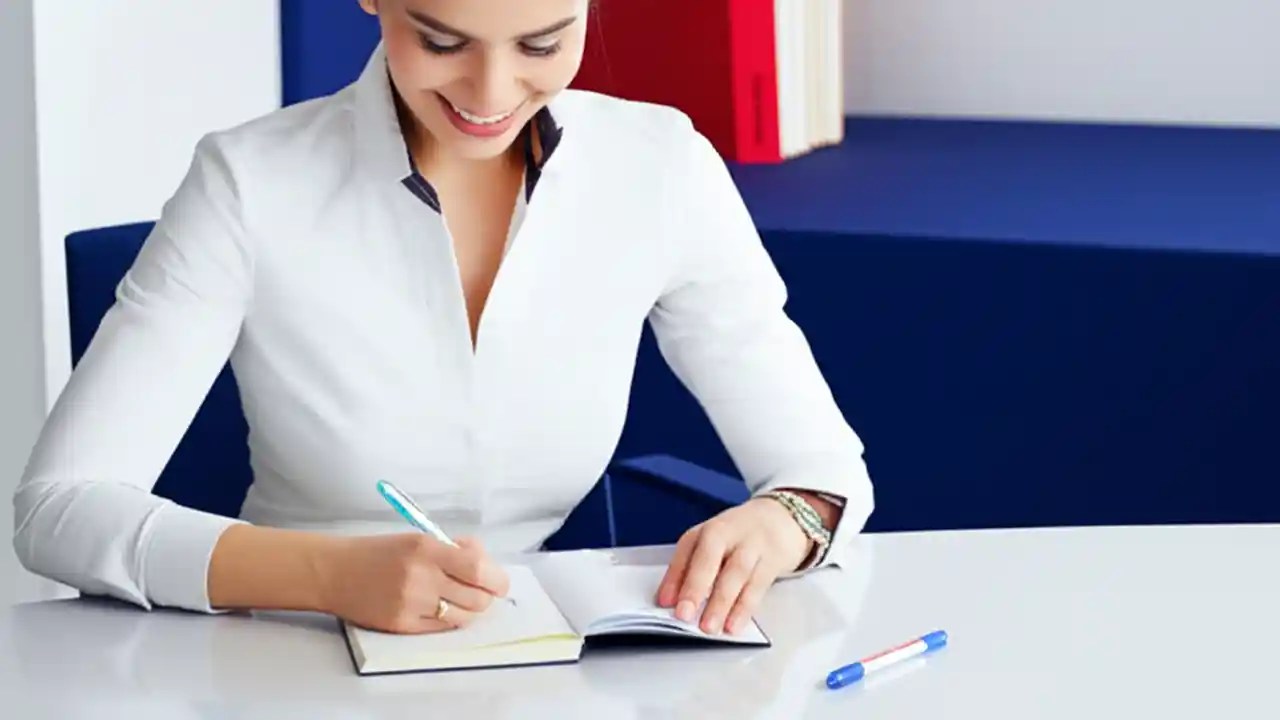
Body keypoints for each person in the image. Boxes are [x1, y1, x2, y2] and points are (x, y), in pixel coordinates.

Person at [13, 0, 873, 638]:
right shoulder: (247, 182)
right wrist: (326, 576)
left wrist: (782, 523)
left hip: (545, 662)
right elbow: (58, 511)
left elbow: (827, 475)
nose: (490, 93)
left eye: (542, 42)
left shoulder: (663, 171)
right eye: (441, 39)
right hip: (284, 657)